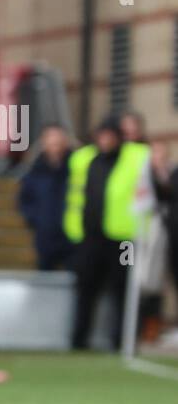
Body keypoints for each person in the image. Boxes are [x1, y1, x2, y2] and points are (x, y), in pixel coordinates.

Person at [65, 117, 152, 350]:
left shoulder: (138, 156)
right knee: (86, 288)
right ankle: (79, 340)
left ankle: (122, 341)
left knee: (123, 288)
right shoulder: (83, 158)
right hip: (90, 237)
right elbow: (75, 196)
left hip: (124, 238)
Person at [18, 124, 74, 271]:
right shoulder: (35, 171)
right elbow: (25, 200)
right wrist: (36, 219)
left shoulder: (76, 168)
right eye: (51, 141)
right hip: (45, 235)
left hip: (72, 236)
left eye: (58, 141)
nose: (55, 146)